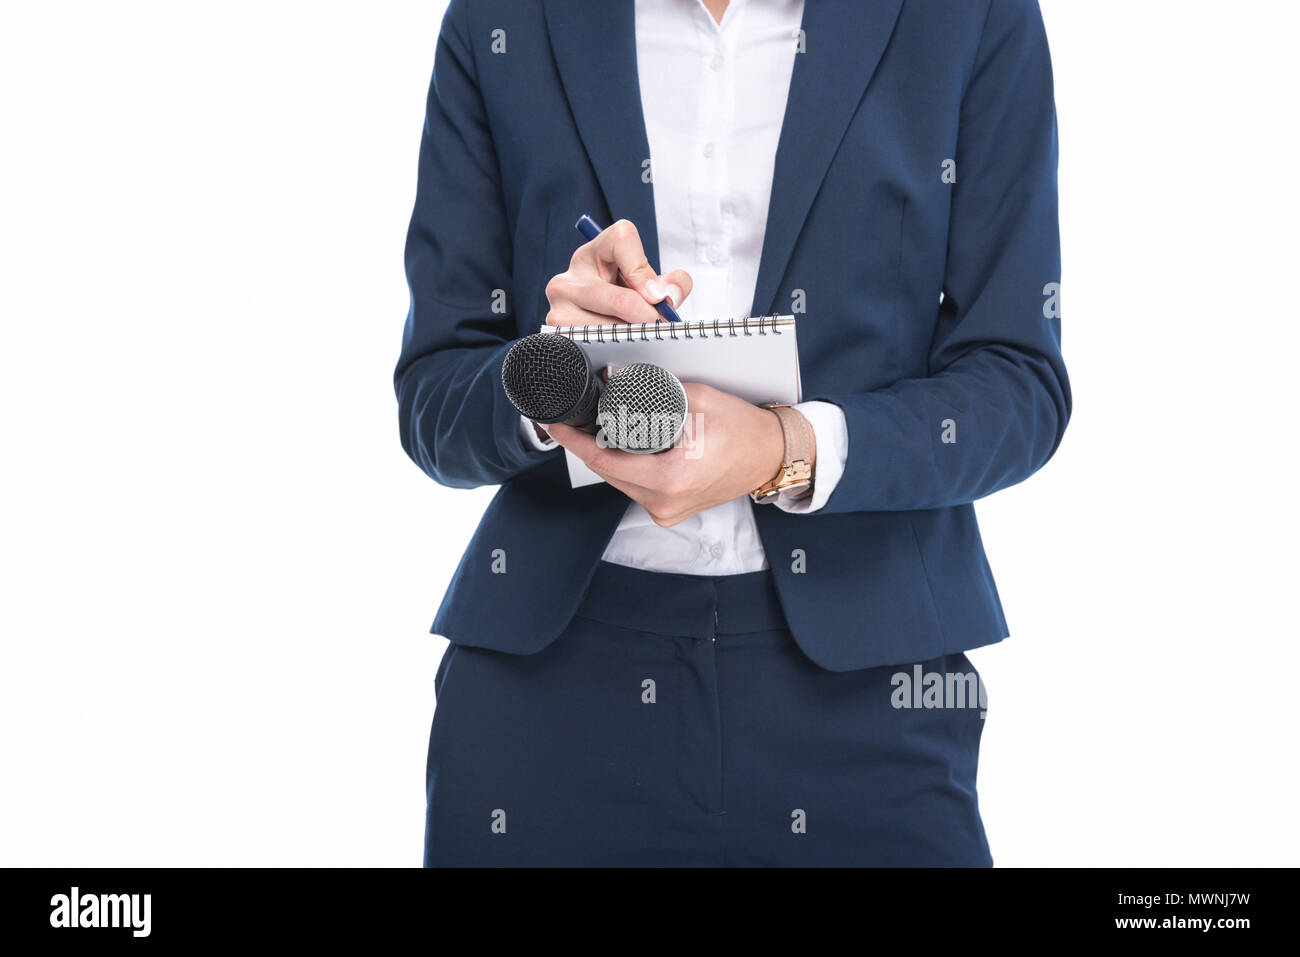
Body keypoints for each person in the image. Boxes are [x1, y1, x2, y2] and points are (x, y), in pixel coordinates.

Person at [394, 0, 1069, 867]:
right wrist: (554, 371)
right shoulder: (504, 18)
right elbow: (434, 395)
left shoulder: (970, 16)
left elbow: (1020, 382)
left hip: (868, 701)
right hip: (547, 699)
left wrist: (786, 447)